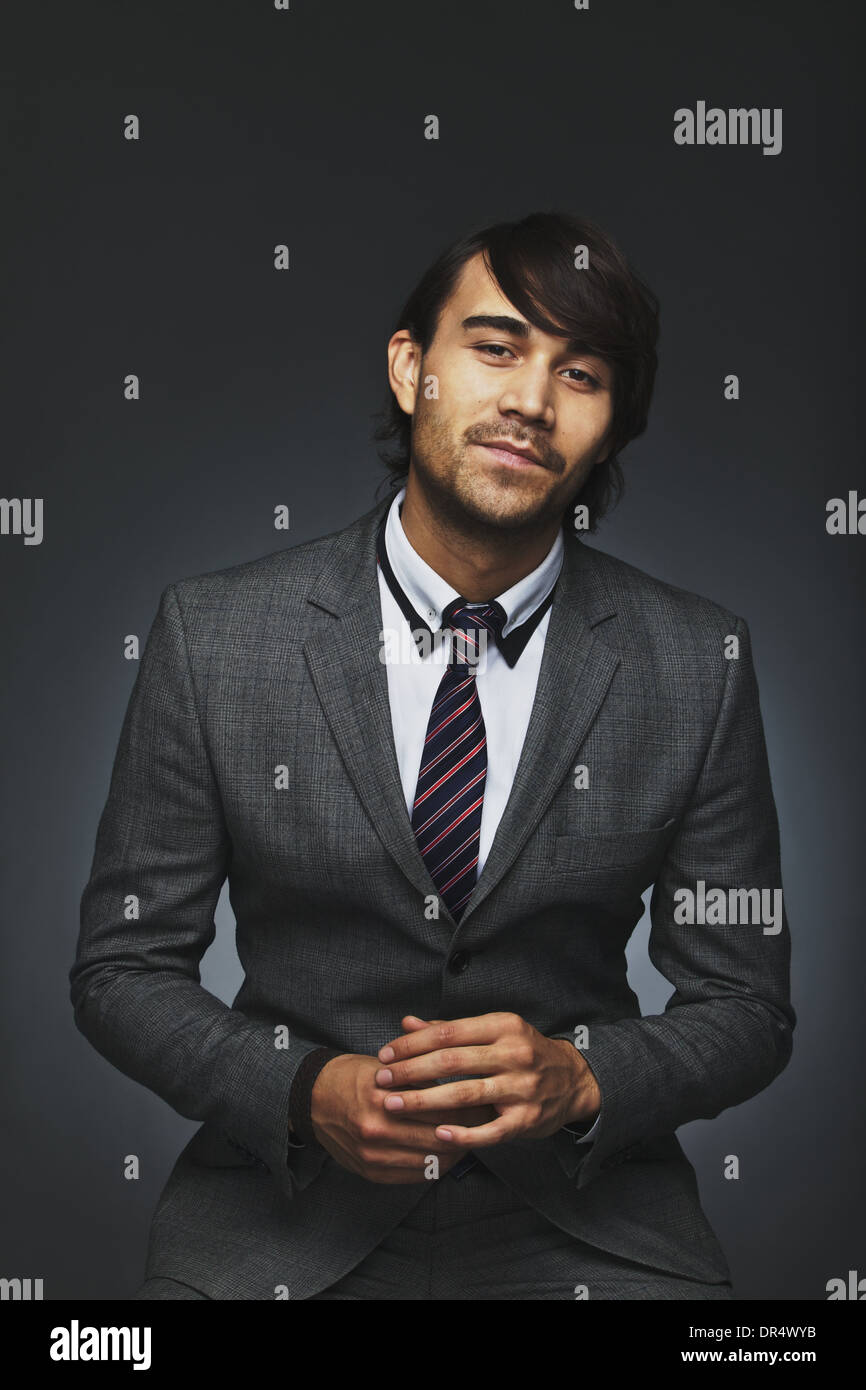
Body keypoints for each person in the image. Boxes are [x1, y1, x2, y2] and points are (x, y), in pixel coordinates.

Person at [70, 210, 794, 1300]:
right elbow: (122, 970)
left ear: (610, 427)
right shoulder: (214, 636)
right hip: (285, 1221)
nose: (530, 401)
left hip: (589, 1227)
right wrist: (303, 1089)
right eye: (495, 348)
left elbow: (746, 1006)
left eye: (581, 374)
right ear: (413, 368)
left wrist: (582, 1076)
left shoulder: (697, 661)